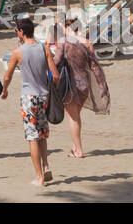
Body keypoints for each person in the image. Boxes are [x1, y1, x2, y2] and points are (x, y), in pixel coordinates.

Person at [0, 17, 59, 187]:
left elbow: (7, 76)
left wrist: (4, 90)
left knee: (32, 137)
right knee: (42, 133)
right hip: (44, 96)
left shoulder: (18, 52)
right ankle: (46, 165)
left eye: (16, 31)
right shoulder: (44, 48)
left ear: (21, 32)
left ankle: (39, 177)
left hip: (29, 97)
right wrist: (53, 92)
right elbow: (56, 76)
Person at [46, 20, 110, 159]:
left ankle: (78, 150)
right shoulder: (86, 42)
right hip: (84, 83)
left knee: (73, 118)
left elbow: (56, 61)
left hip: (71, 84)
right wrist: (102, 86)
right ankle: (75, 146)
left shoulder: (64, 41)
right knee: (76, 116)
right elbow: (95, 67)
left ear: (67, 27)